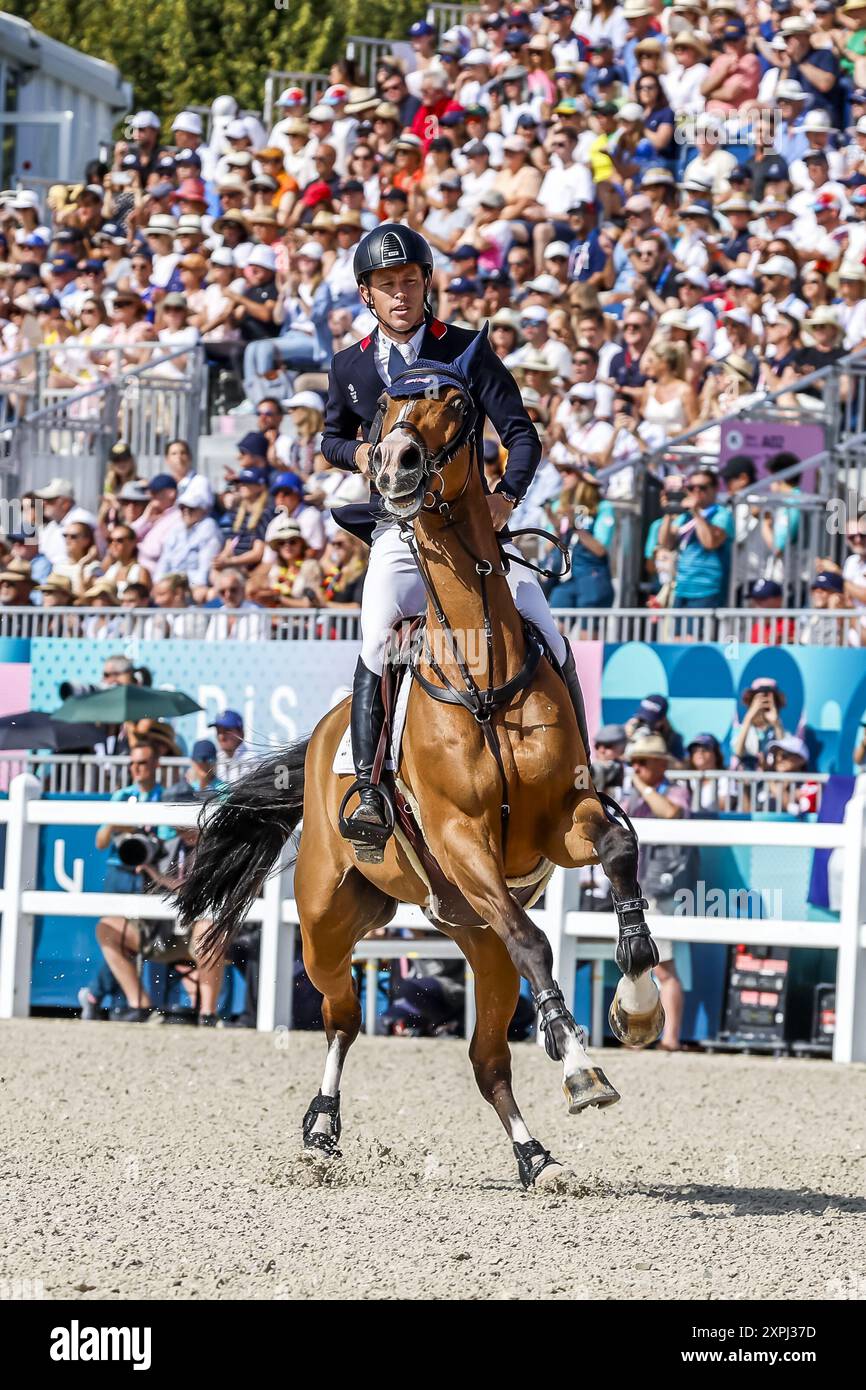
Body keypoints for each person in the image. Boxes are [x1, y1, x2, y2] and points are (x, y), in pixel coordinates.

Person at [321, 223, 589, 855]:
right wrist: (359, 455)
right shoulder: (351, 365)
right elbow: (330, 439)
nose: (400, 295)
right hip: (398, 531)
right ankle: (368, 789)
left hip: (471, 536)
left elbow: (521, 434)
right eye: (386, 286)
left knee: (546, 627)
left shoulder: (468, 351)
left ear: (426, 284)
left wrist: (505, 499)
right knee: (378, 636)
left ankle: (583, 776)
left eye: (409, 281)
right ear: (367, 293)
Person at [81, 741, 175, 1022]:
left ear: (156, 765)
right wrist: (117, 822)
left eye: (142, 763)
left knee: (127, 939)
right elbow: (100, 842)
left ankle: (96, 996)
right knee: (113, 934)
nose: (136, 768)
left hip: (148, 876)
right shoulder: (122, 796)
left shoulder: (164, 796)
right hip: (119, 873)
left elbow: (167, 841)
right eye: (132, 763)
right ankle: (110, 999)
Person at [624, 733, 697, 1051]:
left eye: (642, 762)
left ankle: (670, 1039)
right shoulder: (634, 798)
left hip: (660, 889)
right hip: (635, 890)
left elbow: (669, 813)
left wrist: (642, 788)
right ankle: (638, 1038)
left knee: (665, 969)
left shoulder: (677, 790)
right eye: (633, 763)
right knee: (635, 969)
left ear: (660, 764)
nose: (635, 768)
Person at [208, 709, 255, 780]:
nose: (221, 737)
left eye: (226, 731)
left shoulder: (253, 760)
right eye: (218, 732)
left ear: (241, 733)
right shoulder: (213, 759)